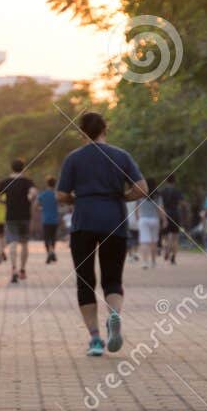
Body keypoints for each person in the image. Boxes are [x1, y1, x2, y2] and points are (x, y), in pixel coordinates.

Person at [57, 111, 148, 356]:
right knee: (112, 278)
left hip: (84, 220)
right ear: (105, 129)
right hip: (114, 221)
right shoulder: (121, 156)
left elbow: (61, 195)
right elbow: (142, 188)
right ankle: (114, 315)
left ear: (82, 132)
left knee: (85, 280)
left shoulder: (73, 159)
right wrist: (122, 196)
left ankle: (95, 340)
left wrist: (76, 198)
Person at [0, 158, 36, 284]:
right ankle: (22, 270)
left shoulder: (6, 181)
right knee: (24, 243)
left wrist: (5, 202)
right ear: (23, 168)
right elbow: (33, 193)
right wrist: (28, 200)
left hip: (11, 216)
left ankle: (13, 269)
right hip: (25, 216)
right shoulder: (28, 181)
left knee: (12, 242)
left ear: (11, 168)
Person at [157, 179, 185, 264]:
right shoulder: (177, 191)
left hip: (165, 214)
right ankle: (173, 257)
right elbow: (182, 203)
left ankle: (166, 250)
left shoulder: (162, 192)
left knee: (164, 236)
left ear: (166, 181)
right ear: (174, 182)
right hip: (175, 214)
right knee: (175, 237)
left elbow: (159, 205)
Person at [37, 176, 61, 264]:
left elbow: (37, 205)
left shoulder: (42, 194)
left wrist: (42, 208)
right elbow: (60, 204)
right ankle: (52, 252)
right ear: (55, 184)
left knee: (46, 238)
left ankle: (49, 253)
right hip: (55, 219)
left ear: (47, 184)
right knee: (53, 237)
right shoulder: (56, 194)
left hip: (45, 219)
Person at [134, 194, 161, 266]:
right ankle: (153, 261)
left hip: (143, 219)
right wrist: (163, 219)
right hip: (155, 219)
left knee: (144, 241)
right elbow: (160, 209)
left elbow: (136, 209)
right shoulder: (157, 197)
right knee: (154, 241)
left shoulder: (140, 196)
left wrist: (137, 218)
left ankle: (145, 262)